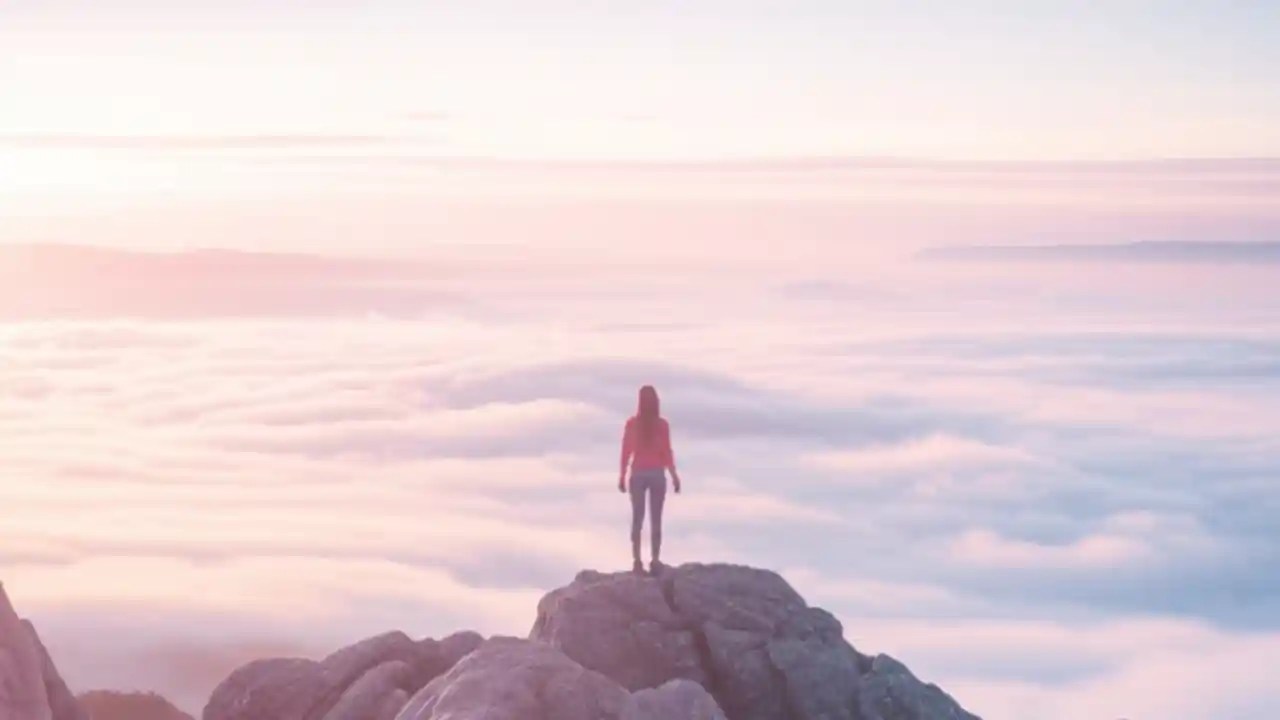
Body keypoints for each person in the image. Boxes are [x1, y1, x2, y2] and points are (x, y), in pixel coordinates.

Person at [619, 385, 682, 574]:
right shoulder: (661, 425)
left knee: (637, 519)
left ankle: (637, 561)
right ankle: (655, 560)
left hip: (638, 473)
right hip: (656, 474)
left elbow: (626, 451)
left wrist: (622, 475)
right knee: (656, 519)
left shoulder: (632, 424)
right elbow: (667, 452)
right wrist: (674, 475)